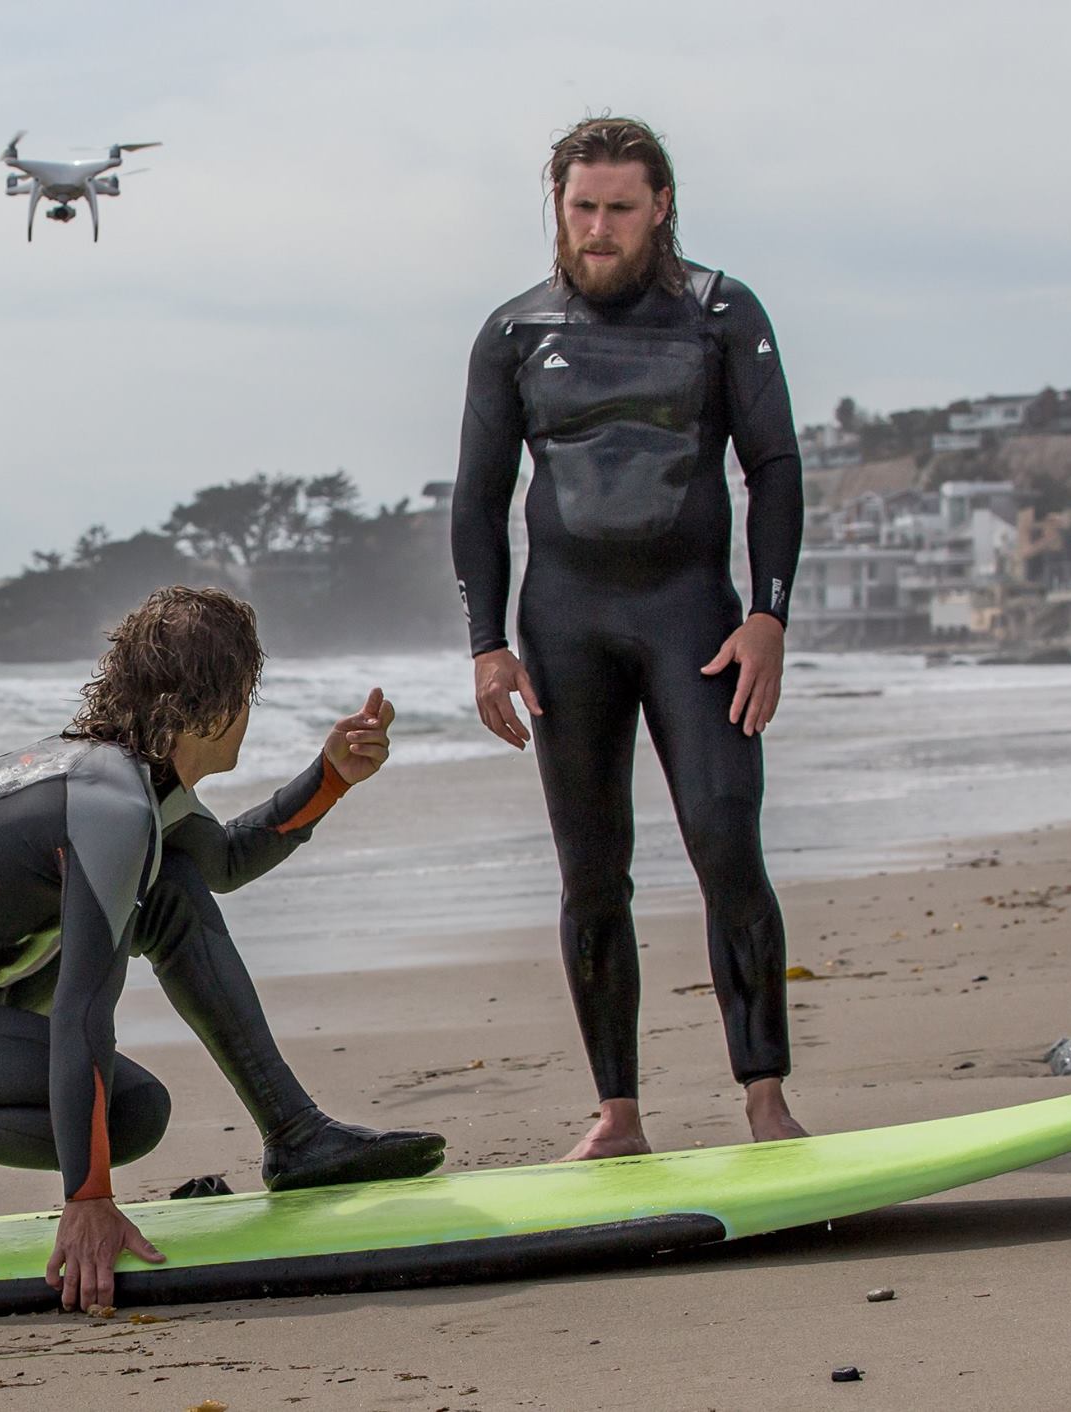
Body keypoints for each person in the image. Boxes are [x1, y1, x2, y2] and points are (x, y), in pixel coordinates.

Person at [0, 586, 445, 1312]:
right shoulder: (112, 805)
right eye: (246, 696)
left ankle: (297, 1136)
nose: (247, 717)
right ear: (210, 707)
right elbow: (83, 1011)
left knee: (170, 889)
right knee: (130, 1112)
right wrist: (88, 1199)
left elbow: (223, 862)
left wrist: (330, 778)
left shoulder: (132, 780)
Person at [449, 115, 807, 1160]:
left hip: (691, 618)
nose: (597, 229)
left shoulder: (721, 314)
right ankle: (617, 1111)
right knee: (590, 873)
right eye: (580, 207)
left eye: (618, 207)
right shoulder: (512, 334)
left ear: (659, 209)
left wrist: (766, 615)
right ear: (556, 208)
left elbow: (772, 467)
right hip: (564, 629)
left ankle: (764, 1095)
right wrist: (486, 643)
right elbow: (477, 497)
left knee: (725, 840)